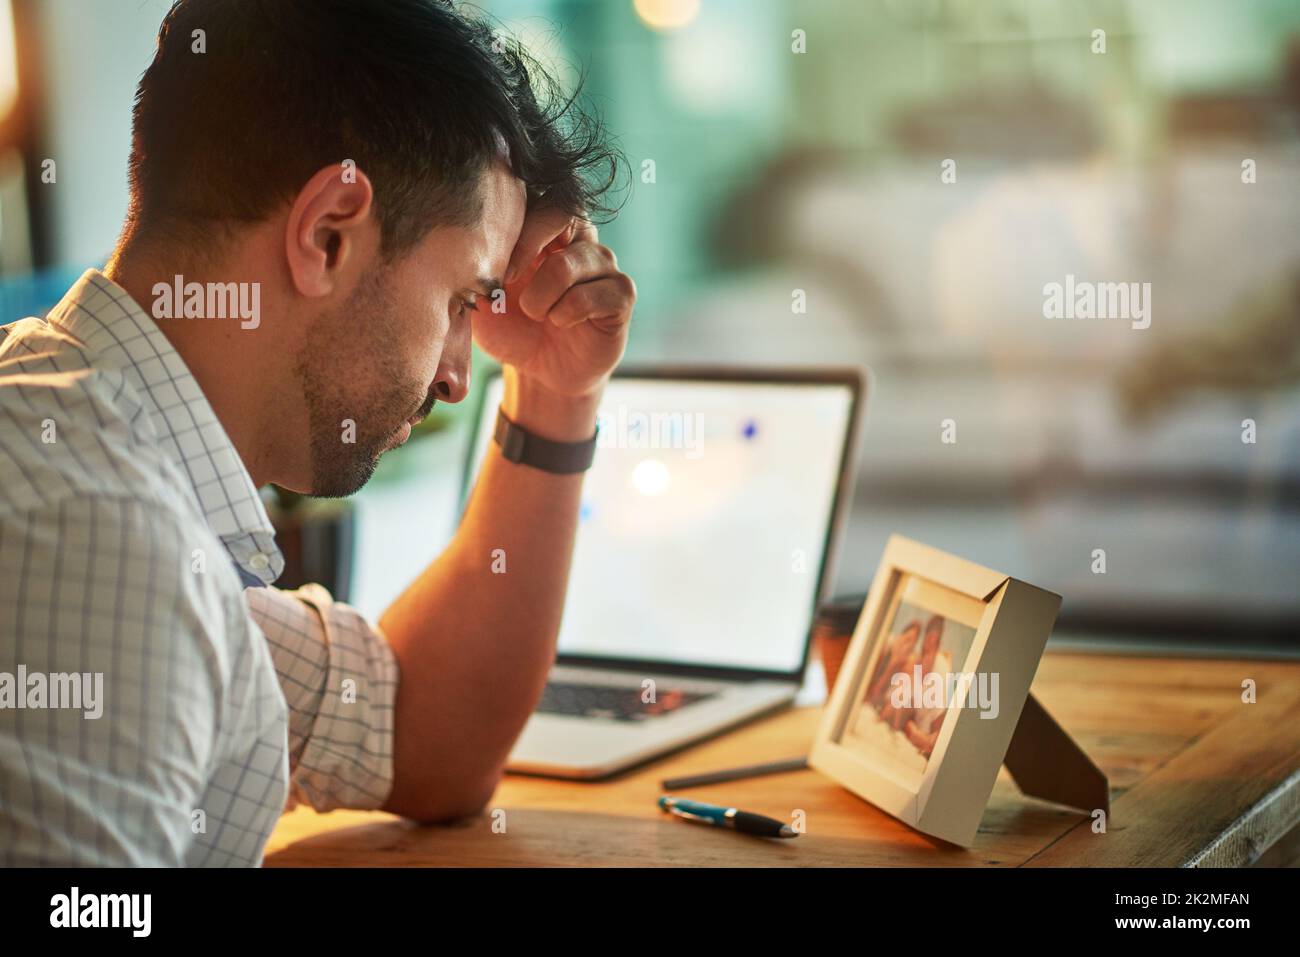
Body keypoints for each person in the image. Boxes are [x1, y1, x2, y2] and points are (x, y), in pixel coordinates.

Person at [0, 0, 634, 866]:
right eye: (460, 301)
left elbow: (420, 734)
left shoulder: (111, 463)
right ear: (329, 233)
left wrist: (555, 395)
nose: (456, 374)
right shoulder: (101, 532)